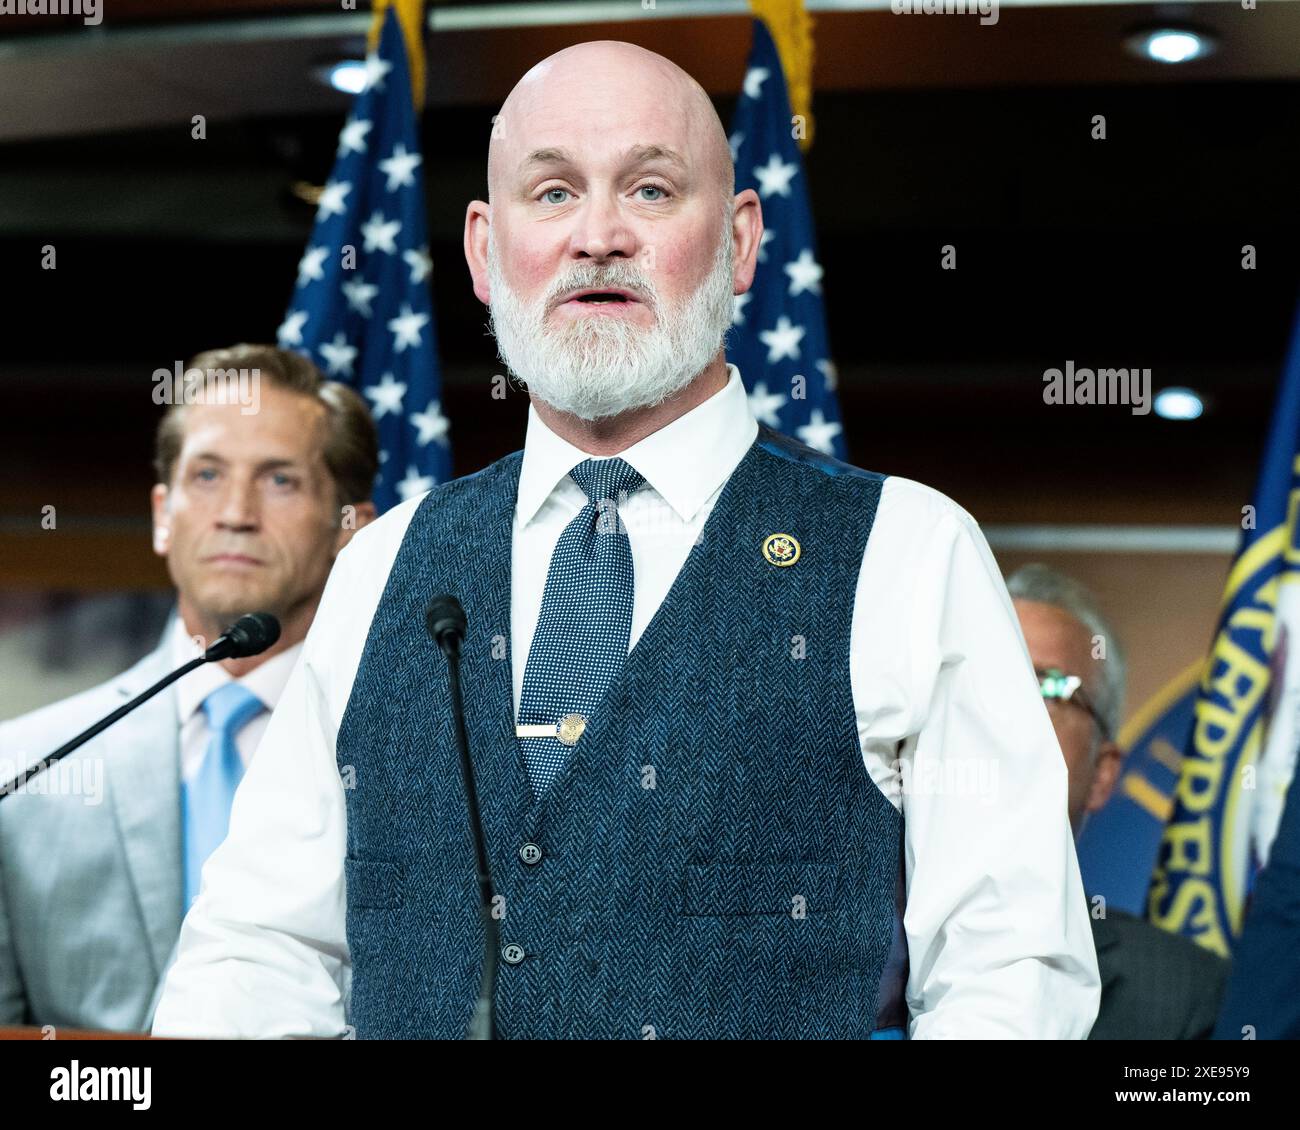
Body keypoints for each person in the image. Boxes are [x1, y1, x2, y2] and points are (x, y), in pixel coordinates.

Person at [153, 41, 1098, 1040]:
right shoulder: (384, 566)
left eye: (648, 189)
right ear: (483, 249)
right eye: (552, 191)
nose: (597, 235)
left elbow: (1009, 973)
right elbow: (258, 951)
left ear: (738, 243)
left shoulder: (909, 552)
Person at [0, 344, 377, 1032]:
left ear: (352, 530)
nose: (235, 512)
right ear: (161, 514)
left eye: (281, 481)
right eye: (206, 475)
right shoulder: (23, 770)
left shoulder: (424, 764)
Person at [1008, 562, 1228, 1039]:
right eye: (980, 678)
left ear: (1103, 773)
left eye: (1048, 687)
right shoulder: (831, 946)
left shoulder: (1184, 997)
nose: (1003, 707)